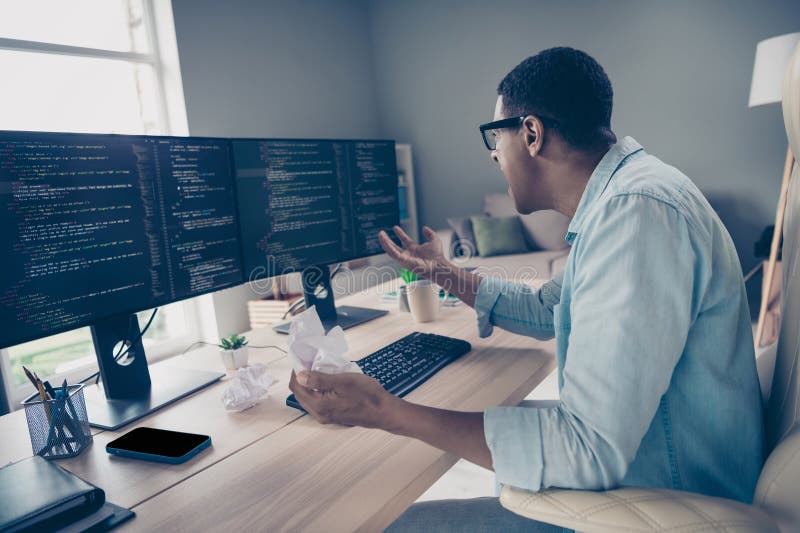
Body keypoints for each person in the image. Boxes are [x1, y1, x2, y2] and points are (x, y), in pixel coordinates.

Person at [288, 47, 764, 531]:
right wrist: (442, 271)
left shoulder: (636, 215)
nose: (494, 155)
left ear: (531, 134)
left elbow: (588, 449)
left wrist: (383, 410)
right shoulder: (625, 200)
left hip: (677, 501)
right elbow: (549, 306)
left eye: (494, 137)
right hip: (665, 463)